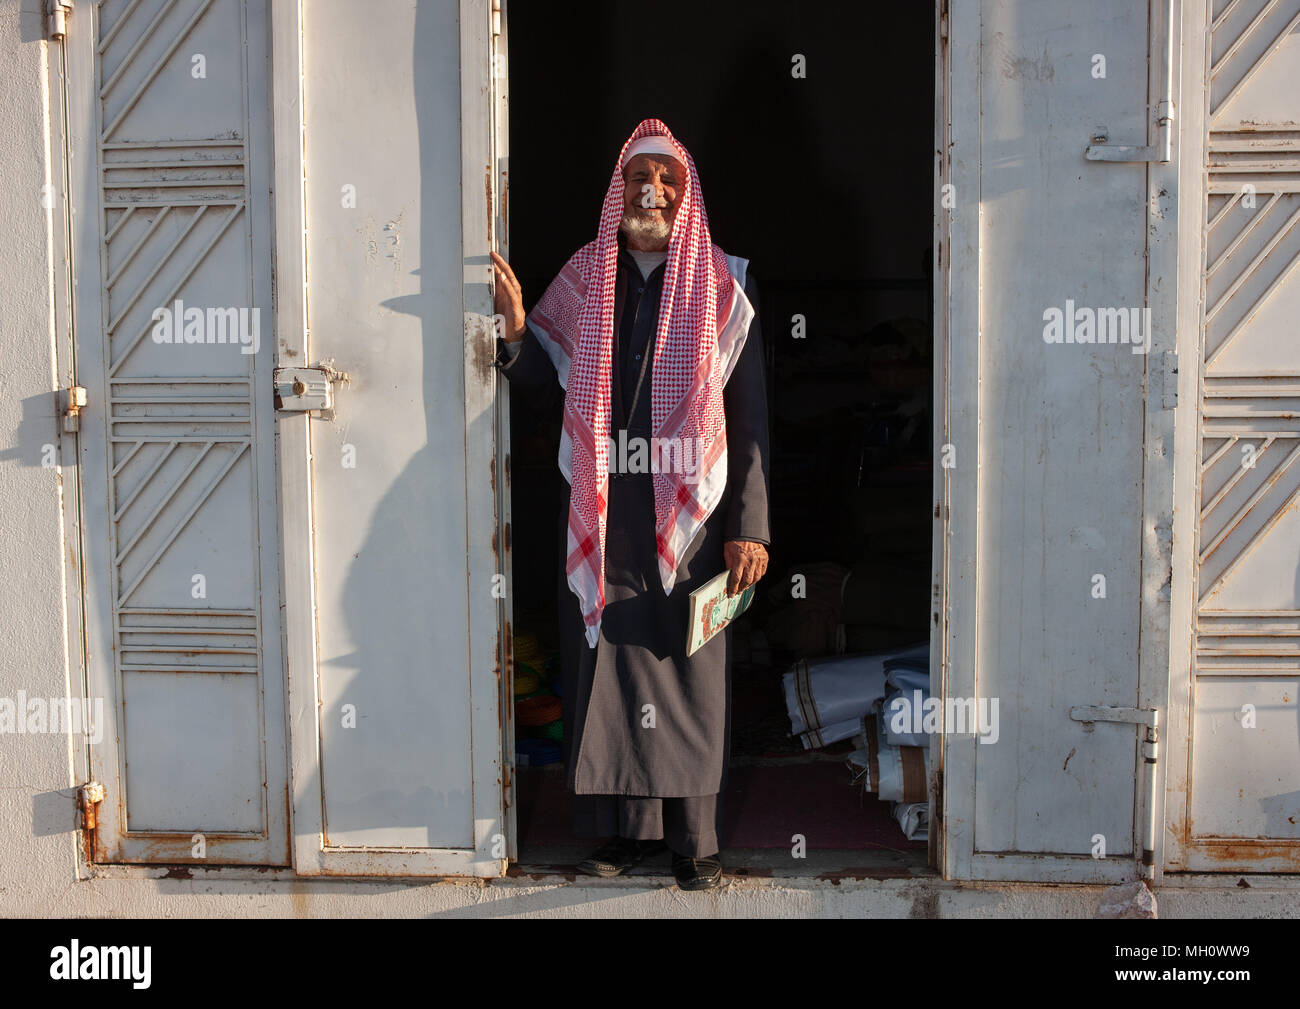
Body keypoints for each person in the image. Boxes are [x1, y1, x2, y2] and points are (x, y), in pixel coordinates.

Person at [490, 118, 770, 890]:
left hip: (693, 518)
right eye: (638, 176)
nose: (652, 189)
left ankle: (693, 840)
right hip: (604, 515)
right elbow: (547, 393)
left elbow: (748, 420)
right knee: (603, 670)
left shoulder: (724, 282)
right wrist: (516, 335)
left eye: (667, 178)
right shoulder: (585, 278)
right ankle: (620, 834)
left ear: (687, 193)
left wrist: (751, 527)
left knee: (687, 670)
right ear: (619, 190)